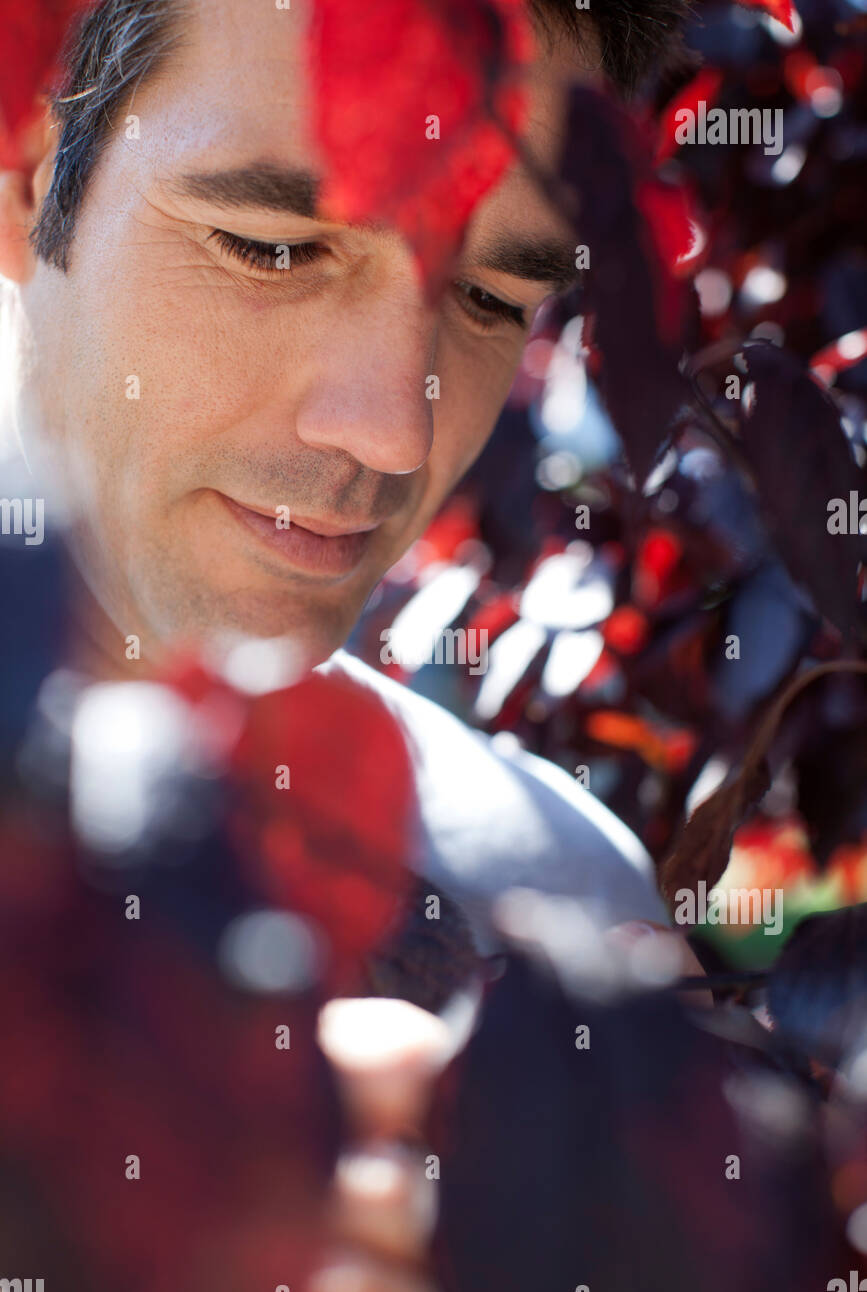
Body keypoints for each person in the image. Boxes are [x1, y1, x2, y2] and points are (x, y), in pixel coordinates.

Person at [0, 0, 689, 934]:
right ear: (29, 179)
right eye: (272, 251)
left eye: (492, 301)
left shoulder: (558, 909)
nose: (395, 433)